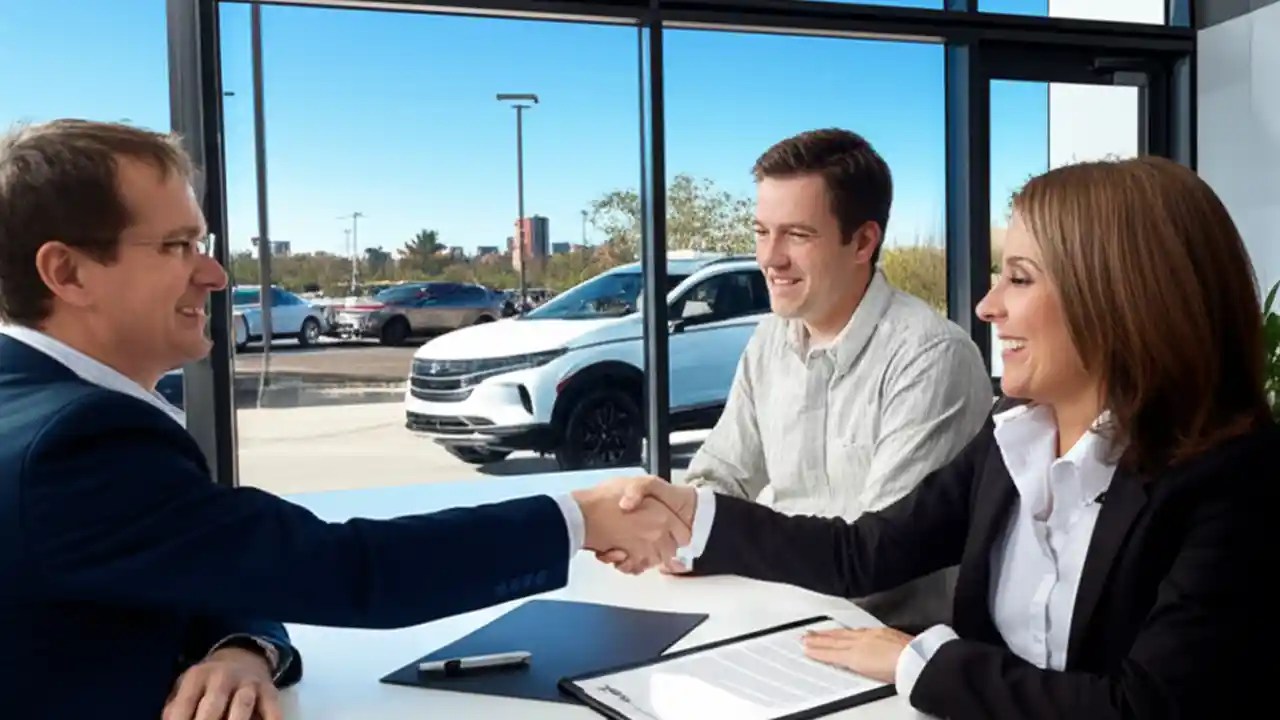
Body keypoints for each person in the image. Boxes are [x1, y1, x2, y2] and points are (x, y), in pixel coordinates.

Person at [0, 119, 689, 720]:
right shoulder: (73, 446)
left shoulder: (37, 413)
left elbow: (213, 556)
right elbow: (345, 569)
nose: (213, 274)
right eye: (177, 245)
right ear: (69, 273)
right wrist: (579, 517)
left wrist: (240, 645)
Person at [605, 156, 1276, 718]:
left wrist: (918, 660)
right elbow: (865, 551)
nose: (987, 306)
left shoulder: (1235, 484)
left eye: (1019, 278)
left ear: (1122, 299)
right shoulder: (1012, 441)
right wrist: (694, 519)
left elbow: (1141, 708)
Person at [670, 128, 992, 631]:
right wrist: (678, 527)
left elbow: (876, 563)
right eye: (761, 231)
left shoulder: (932, 358)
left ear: (863, 241)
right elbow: (721, 475)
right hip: (775, 618)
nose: (770, 257)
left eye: (797, 235)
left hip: (887, 649)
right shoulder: (769, 341)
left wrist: (712, 535)